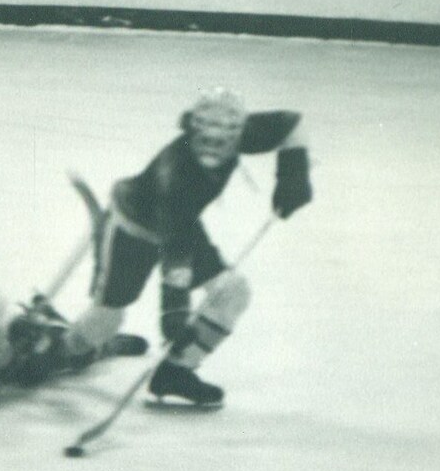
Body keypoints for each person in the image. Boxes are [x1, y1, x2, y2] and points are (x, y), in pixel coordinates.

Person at [59, 87, 313, 405]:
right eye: (205, 140)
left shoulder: (246, 133)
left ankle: (176, 372)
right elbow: (175, 250)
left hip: (183, 226)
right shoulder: (174, 173)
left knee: (233, 293)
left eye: (223, 143)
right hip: (133, 229)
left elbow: (292, 123)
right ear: (193, 130)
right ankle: (61, 350)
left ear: (239, 133)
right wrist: (175, 311)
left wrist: (294, 170)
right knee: (106, 319)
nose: (213, 151)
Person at [0, 246, 148, 402]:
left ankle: (106, 346)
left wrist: (25, 330)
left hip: (11, 356)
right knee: (29, 376)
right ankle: (54, 320)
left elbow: (12, 321)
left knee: (60, 353)